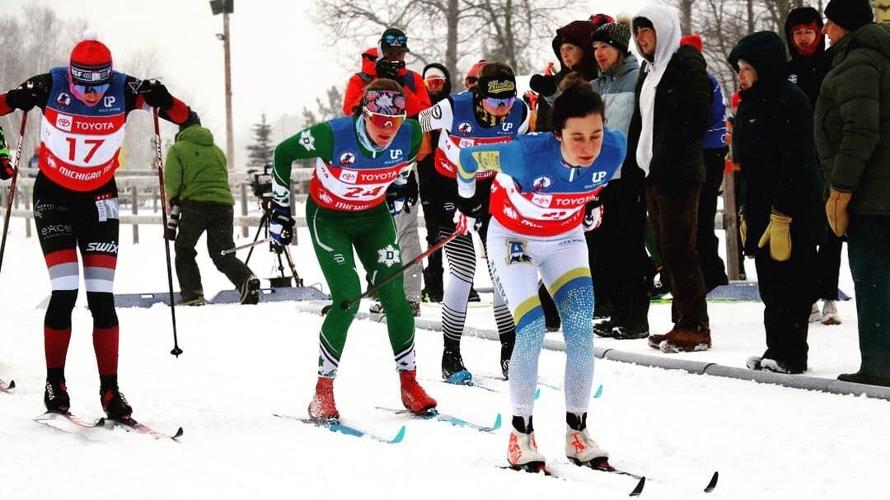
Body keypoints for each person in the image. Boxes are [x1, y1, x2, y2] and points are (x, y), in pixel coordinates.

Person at [0, 32, 192, 420]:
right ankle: (56, 383)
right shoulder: (50, 84)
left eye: (98, 86)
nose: (91, 95)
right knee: (65, 290)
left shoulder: (124, 88)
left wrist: (164, 98)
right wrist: (15, 98)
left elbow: (187, 118)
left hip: (100, 199)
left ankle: (110, 390)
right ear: (72, 78)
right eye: (83, 86)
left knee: (102, 299)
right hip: (53, 196)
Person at [454, 80, 624, 471]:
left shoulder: (614, 147)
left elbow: (594, 177)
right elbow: (466, 159)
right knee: (530, 328)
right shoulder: (524, 155)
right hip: (513, 240)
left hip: (565, 239)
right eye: (577, 137)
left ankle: (577, 432)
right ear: (556, 133)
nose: (588, 146)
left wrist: (593, 201)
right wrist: (466, 201)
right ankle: (520, 435)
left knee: (581, 328)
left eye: (595, 135)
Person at [271, 79, 437, 420]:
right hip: (329, 219)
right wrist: (280, 208)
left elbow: (408, 160)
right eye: (379, 120)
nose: (386, 129)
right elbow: (283, 152)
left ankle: (409, 383)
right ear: (364, 113)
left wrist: (403, 181)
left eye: (394, 121)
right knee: (347, 298)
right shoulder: (334, 135)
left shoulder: (409, 135)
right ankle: (323, 392)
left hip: (373, 220)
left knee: (397, 298)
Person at [417, 62, 529, 382]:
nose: (503, 108)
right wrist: (424, 146)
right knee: (464, 270)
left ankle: (510, 351)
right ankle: (451, 354)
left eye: (509, 99)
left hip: (490, 189)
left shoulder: (519, 112)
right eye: (496, 101)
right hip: (448, 188)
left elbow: (517, 151)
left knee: (503, 271)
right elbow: (418, 121)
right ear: (478, 95)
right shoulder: (453, 108)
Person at [729, 31, 821, 374]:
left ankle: (792, 354)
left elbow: (798, 161)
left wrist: (783, 213)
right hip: (760, 204)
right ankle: (774, 348)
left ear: (764, 67)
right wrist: (746, 209)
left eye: (746, 67)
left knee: (792, 283)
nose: (741, 75)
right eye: (739, 67)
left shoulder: (790, 100)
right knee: (770, 283)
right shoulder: (750, 103)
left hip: (790, 209)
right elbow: (747, 164)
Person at [628, 5, 712, 353]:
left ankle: (696, 326)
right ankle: (681, 322)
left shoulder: (684, 68)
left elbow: (693, 119)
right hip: (653, 174)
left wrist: (666, 158)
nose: (641, 38)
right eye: (637, 32)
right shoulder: (649, 73)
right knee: (666, 249)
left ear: (663, 32)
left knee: (681, 249)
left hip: (678, 174)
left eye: (647, 31)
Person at [816, 0, 890, 387]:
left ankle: (880, 366)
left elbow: (859, 130)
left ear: (845, 25)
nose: (826, 30)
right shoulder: (880, 53)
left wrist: (841, 188)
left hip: (872, 194)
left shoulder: (859, 61)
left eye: (830, 23)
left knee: (874, 278)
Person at [344, 28, 429, 316]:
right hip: (369, 164)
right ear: (380, 51)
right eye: (390, 52)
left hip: (403, 160)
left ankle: (410, 295)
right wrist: (376, 82)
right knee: (379, 231)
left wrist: (398, 85)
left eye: (400, 52)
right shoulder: (361, 79)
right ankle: (387, 290)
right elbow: (350, 112)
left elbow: (425, 114)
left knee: (406, 229)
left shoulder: (412, 79)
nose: (395, 57)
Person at [589, 20, 653, 340]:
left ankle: (637, 317)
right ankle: (618, 312)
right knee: (608, 248)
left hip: (629, 174)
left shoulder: (638, 77)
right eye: (596, 48)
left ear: (620, 48)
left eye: (606, 47)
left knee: (630, 246)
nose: (600, 54)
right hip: (602, 178)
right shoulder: (596, 85)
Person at [784, 6, 843, 326]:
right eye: (797, 33)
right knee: (802, 230)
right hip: (798, 159)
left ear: (819, 32)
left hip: (829, 158)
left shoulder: (833, 64)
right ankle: (806, 296)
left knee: (831, 229)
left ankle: (829, 295)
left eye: (808, 31)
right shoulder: (786, 70)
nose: (803, 38)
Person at [164, 113, 260, 306]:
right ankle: (245, 279)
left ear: (181, 130)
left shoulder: (178, 149)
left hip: (195, 206)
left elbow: (172, 180)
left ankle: (192, 294)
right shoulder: (217, 151)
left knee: (184, 249)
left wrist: (172, 199)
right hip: (223, 206)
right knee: (222, 253)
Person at [681, 34, 730, 293]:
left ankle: (712, 272)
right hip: (708, 150)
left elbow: (704, 118)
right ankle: (709, 271)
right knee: (699, 216)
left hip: (707, 152)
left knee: (702, 215)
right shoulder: (703, 80)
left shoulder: (703, 81)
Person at [417, 63, 453, 303]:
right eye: (429, 83)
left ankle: (463, 284)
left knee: (456, 230)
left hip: (452, 179)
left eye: (438, 82)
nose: (434, 87)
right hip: (428, 177)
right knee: (433, 233)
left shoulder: (453, 107)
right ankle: (434, 287)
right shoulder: (420, 110)